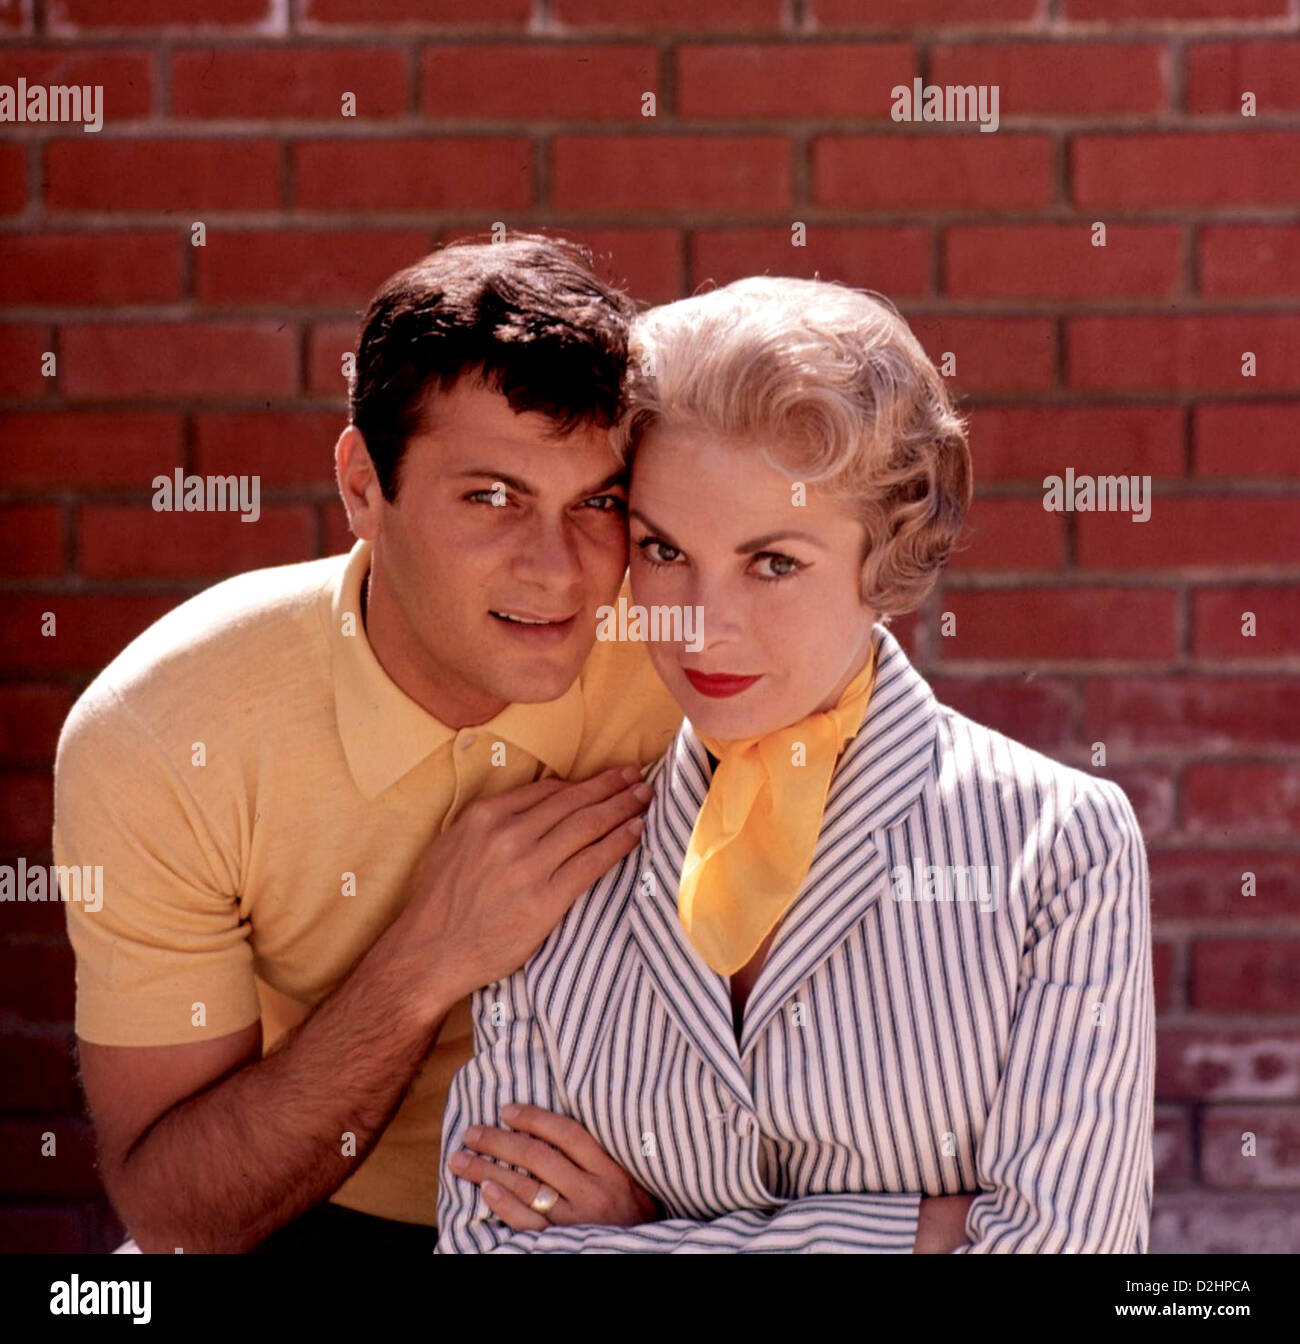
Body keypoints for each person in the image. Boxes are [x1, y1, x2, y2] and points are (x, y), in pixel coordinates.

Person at [437, 276, 1156, 1253]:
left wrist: (642, 1233)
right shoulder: (555, 858)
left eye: (772, 561)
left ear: (885, 555)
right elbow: (486, 1247)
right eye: (662, 549)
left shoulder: (1056, 848)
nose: (706, 623)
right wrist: (919, 1237)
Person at [53, 235, 684, 1253]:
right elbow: (176, 1214)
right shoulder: (163, 734)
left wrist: (674, 1214)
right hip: (303, 1211)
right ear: (362, 488)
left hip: (640, 1213)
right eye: (491, 497)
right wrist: (427, 957)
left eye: (596, 504)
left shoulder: (692, 664)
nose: (559, 572)